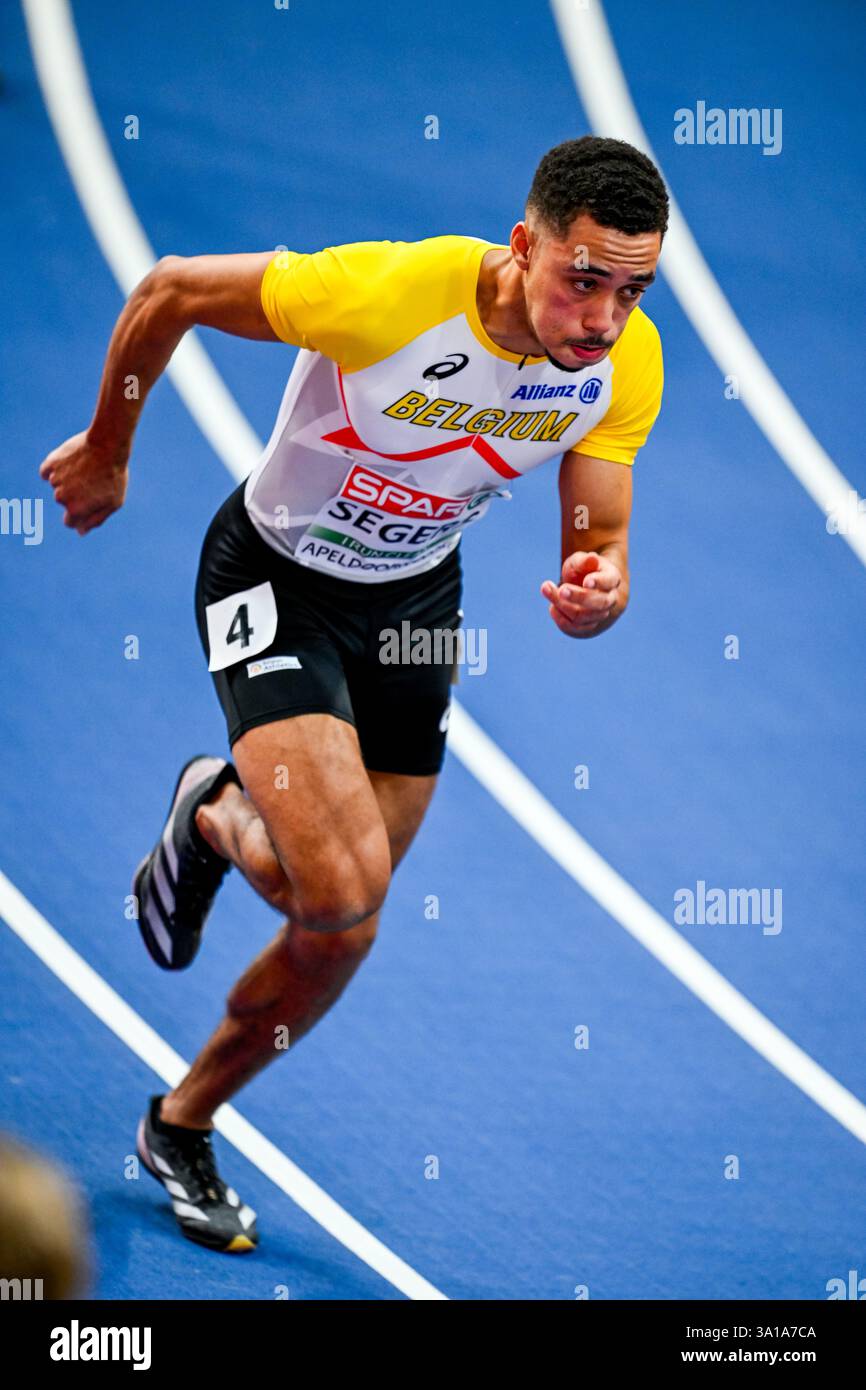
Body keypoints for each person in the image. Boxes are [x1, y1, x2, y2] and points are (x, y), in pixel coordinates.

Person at [39, 136, 669, 1252]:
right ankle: (220, 809)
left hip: (415, 604)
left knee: (340, 922)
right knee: (339, 883)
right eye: (583, 278)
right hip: (275, 579)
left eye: (633, 288)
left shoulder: (625, 364)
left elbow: (595, 531)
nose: (605, 318)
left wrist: (598, 582)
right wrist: (107, 444)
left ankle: (181, 1118)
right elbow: (169, 288)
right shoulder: (388, 293)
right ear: (522, 248)